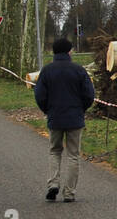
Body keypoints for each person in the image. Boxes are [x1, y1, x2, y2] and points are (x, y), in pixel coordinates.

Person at [34, 36, 95, 203]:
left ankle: (53, 183)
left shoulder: (47, 71)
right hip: (75, 118)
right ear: (69, 51)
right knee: (73, 155)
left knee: (55, 151)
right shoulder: (79, 70)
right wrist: (81, 109)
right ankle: (69, 192)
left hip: (55, 117)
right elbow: (89, 95)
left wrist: (47, 109)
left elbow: (39, 95)